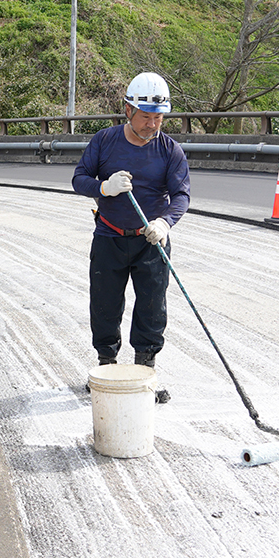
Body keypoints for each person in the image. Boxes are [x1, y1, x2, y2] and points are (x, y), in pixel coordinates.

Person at [72, 71, 190, 403]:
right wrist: (103, 187)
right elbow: (79, 178)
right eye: (146, 117)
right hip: (109, 236)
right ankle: (107, 368)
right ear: (127, 110)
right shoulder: (105, 141)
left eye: (159, 117)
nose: (153, 124)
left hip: (150, 240)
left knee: (153, 307)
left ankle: (145, 372)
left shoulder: (170, 151)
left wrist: (165, 223)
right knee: (105, 305)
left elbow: (181, 195)